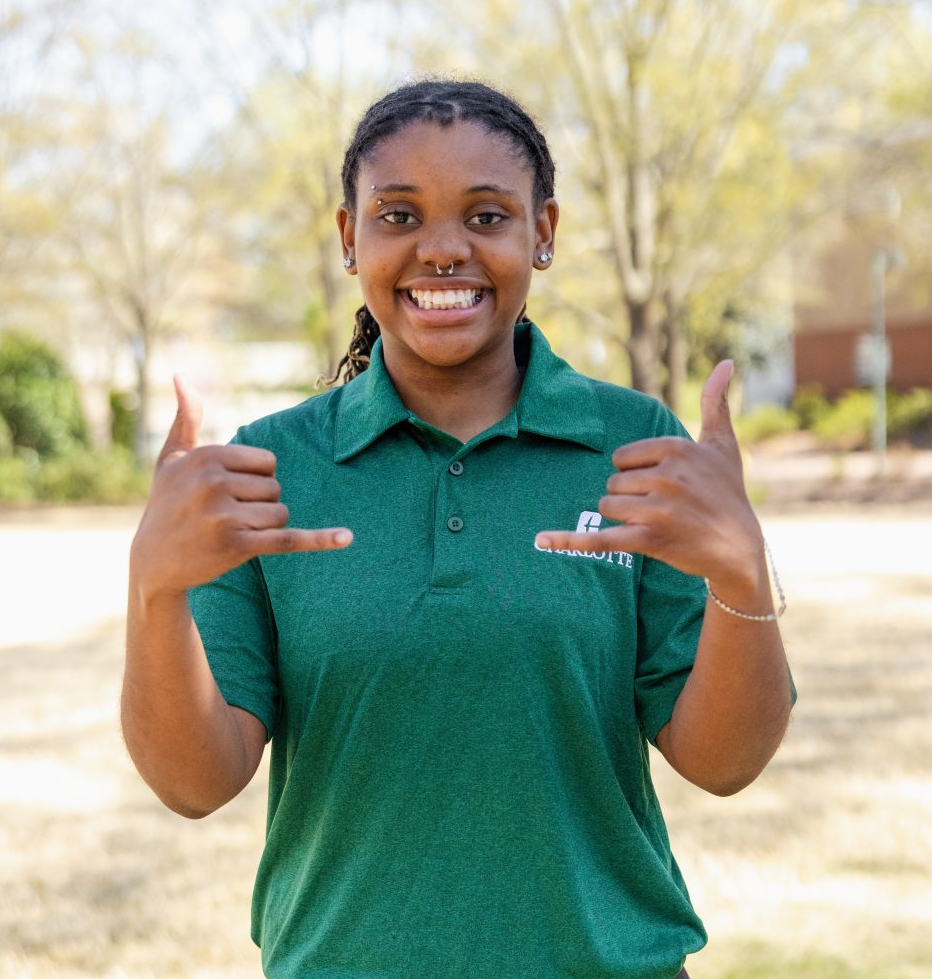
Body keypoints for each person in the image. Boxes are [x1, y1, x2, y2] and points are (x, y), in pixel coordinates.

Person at [122, 79, 795, 979]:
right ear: (350, 238)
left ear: (542, 233)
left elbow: (724, 765)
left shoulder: (637, 448)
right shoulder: (268, 470)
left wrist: (743, 577)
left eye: (486, 215)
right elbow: (194, 783)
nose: (443, 250)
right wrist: (154, 589)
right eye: (398, 215)